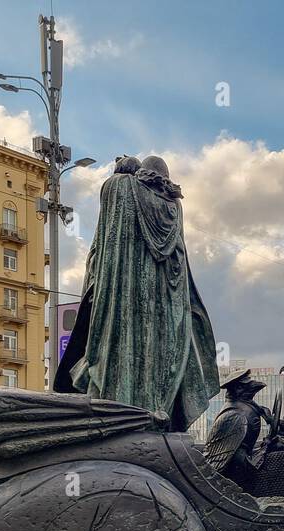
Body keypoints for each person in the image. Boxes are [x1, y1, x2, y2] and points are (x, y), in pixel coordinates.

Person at [53, 155, 219, 431]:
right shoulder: (174, 209)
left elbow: (101, 250)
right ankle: (154, 416)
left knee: (118, 358)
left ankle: (119, 418)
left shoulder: (120, 188)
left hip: (122, 306)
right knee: (158, 368)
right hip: (164, 319)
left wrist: (122, 171)